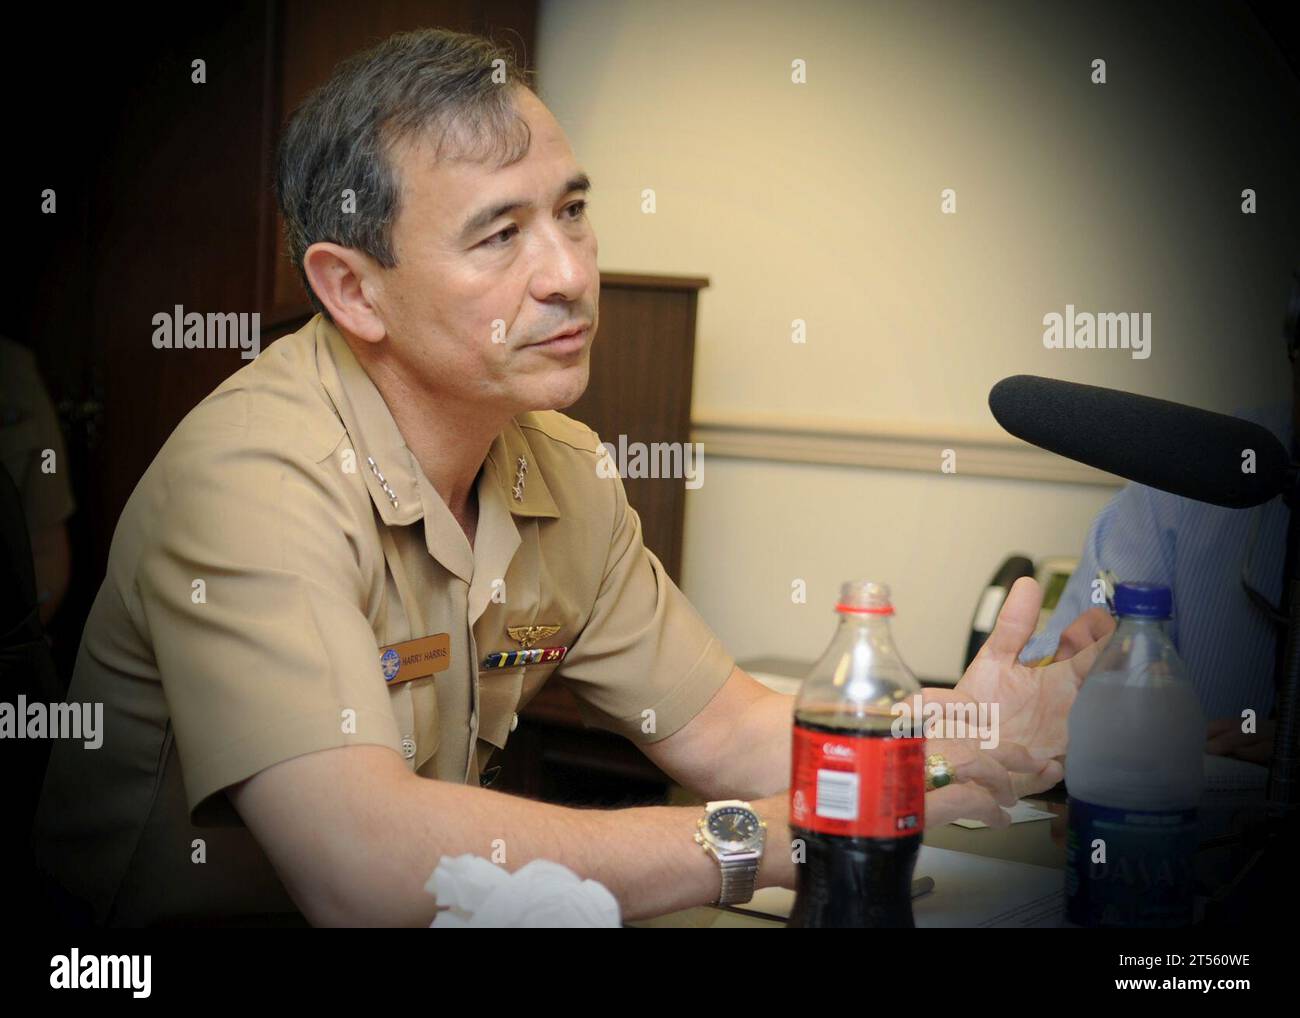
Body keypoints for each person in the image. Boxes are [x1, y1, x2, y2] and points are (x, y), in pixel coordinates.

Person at [33, 28, 1101, 927]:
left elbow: (724, 728)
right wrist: (760, 837)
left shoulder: (560, 461)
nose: (567, 274)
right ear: (352, 291)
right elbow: (359, 865)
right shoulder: (255, 478)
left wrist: (951, 731)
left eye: (573, 211)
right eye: (498, 234)